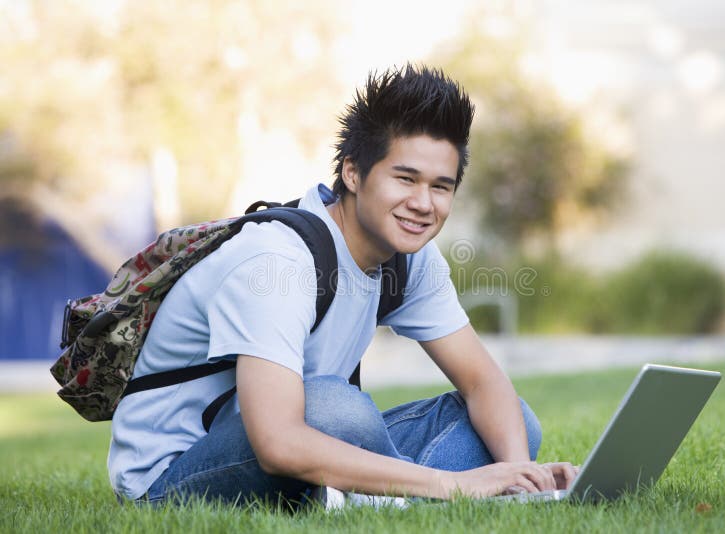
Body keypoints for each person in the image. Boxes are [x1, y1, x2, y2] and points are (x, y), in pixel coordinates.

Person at [108, 64, 577, 507]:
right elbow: (277, 441)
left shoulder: (410, 259)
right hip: (175, 475)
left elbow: (482, 382)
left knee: (514, 423)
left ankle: (368, 499)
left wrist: (519, 477)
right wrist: (452, 483)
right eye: (405, 178)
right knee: (335, 407)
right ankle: (389, 496)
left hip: (300, 437)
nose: (422, 203)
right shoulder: (278, 259)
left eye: (441, 186)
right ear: (352, 172)